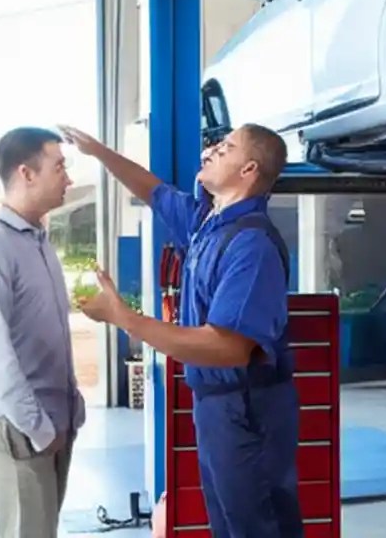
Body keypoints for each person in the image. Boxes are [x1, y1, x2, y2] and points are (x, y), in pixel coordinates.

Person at [58, 123, 301, 538]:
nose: (209, 152)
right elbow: (151, 189)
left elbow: (227, 347)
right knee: (229, 526)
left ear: (249, 170)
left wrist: (127, 319)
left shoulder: (252, 247)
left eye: (225, 149)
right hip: (216, 407)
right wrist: (99, 151)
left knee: (257, 527)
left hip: (247, 410)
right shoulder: (207, 222)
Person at [0, 126, 85, 538]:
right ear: (26, 174)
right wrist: (38, 428)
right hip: (20, 427)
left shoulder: (38, 242)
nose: (68, 178)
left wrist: (69, 410)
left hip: (50, 423)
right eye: (60, 166)